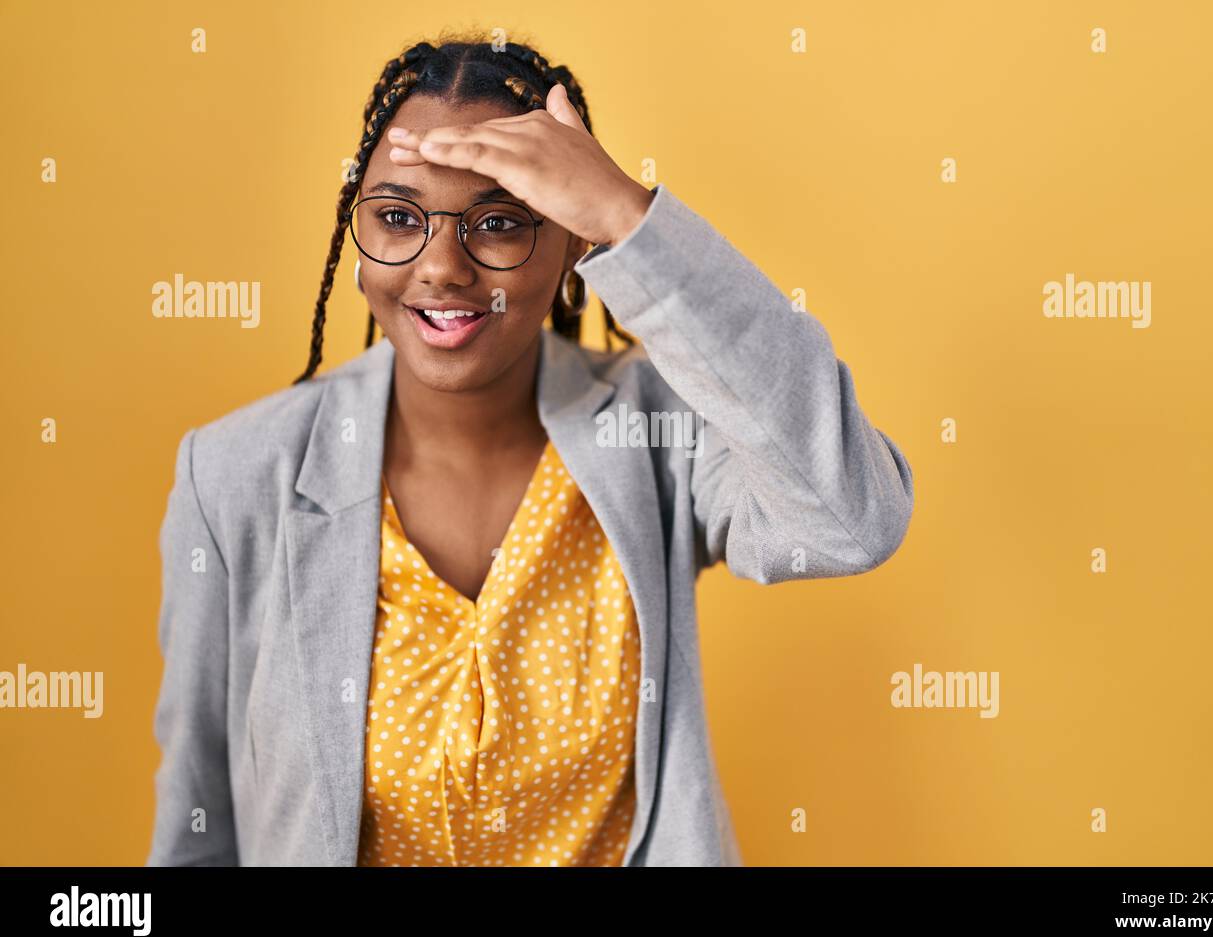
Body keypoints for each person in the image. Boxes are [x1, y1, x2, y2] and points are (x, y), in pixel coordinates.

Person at [147, 31, 915, 867]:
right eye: (398, 217)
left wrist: (632, 217)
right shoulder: (234, 475)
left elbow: (850, 520)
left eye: (501, 223)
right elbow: (199, 820)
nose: (441, 267)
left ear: (572, 247)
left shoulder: (659, 433)